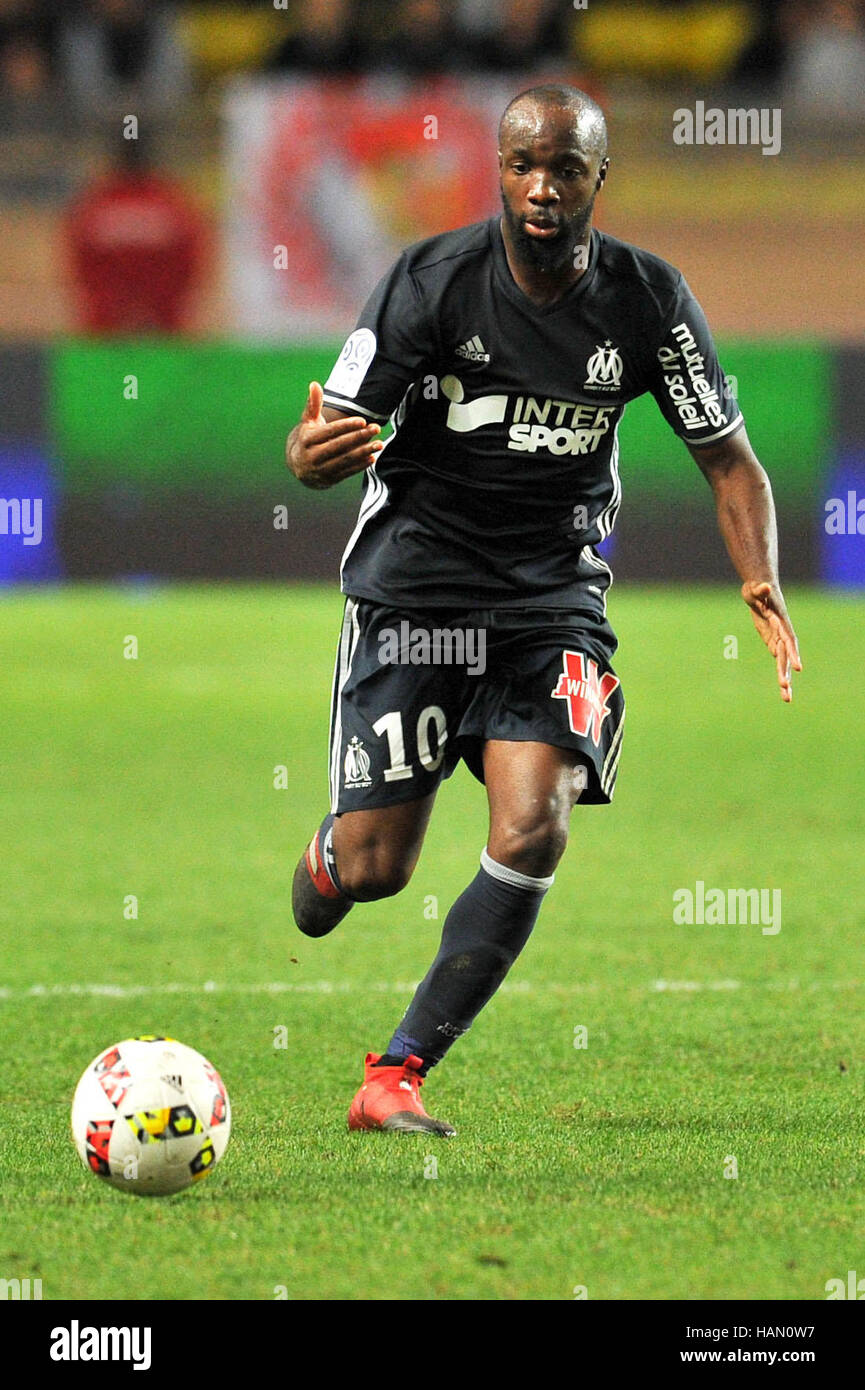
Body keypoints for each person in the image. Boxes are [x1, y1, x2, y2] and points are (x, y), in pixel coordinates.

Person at [285, 84, 801, 1137]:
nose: (541, 186)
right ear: (499, 170)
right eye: (523, 162)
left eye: (565, 167)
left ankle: (396, 1074)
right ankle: (333, 854)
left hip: (549, 597)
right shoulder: (429, 283)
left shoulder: (649, 302)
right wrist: (309, 456)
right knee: (376, 871)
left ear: (596, 181)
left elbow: (730, 462)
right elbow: (326, 435)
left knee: (535, 821)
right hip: (415, 591)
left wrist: (758, 575)